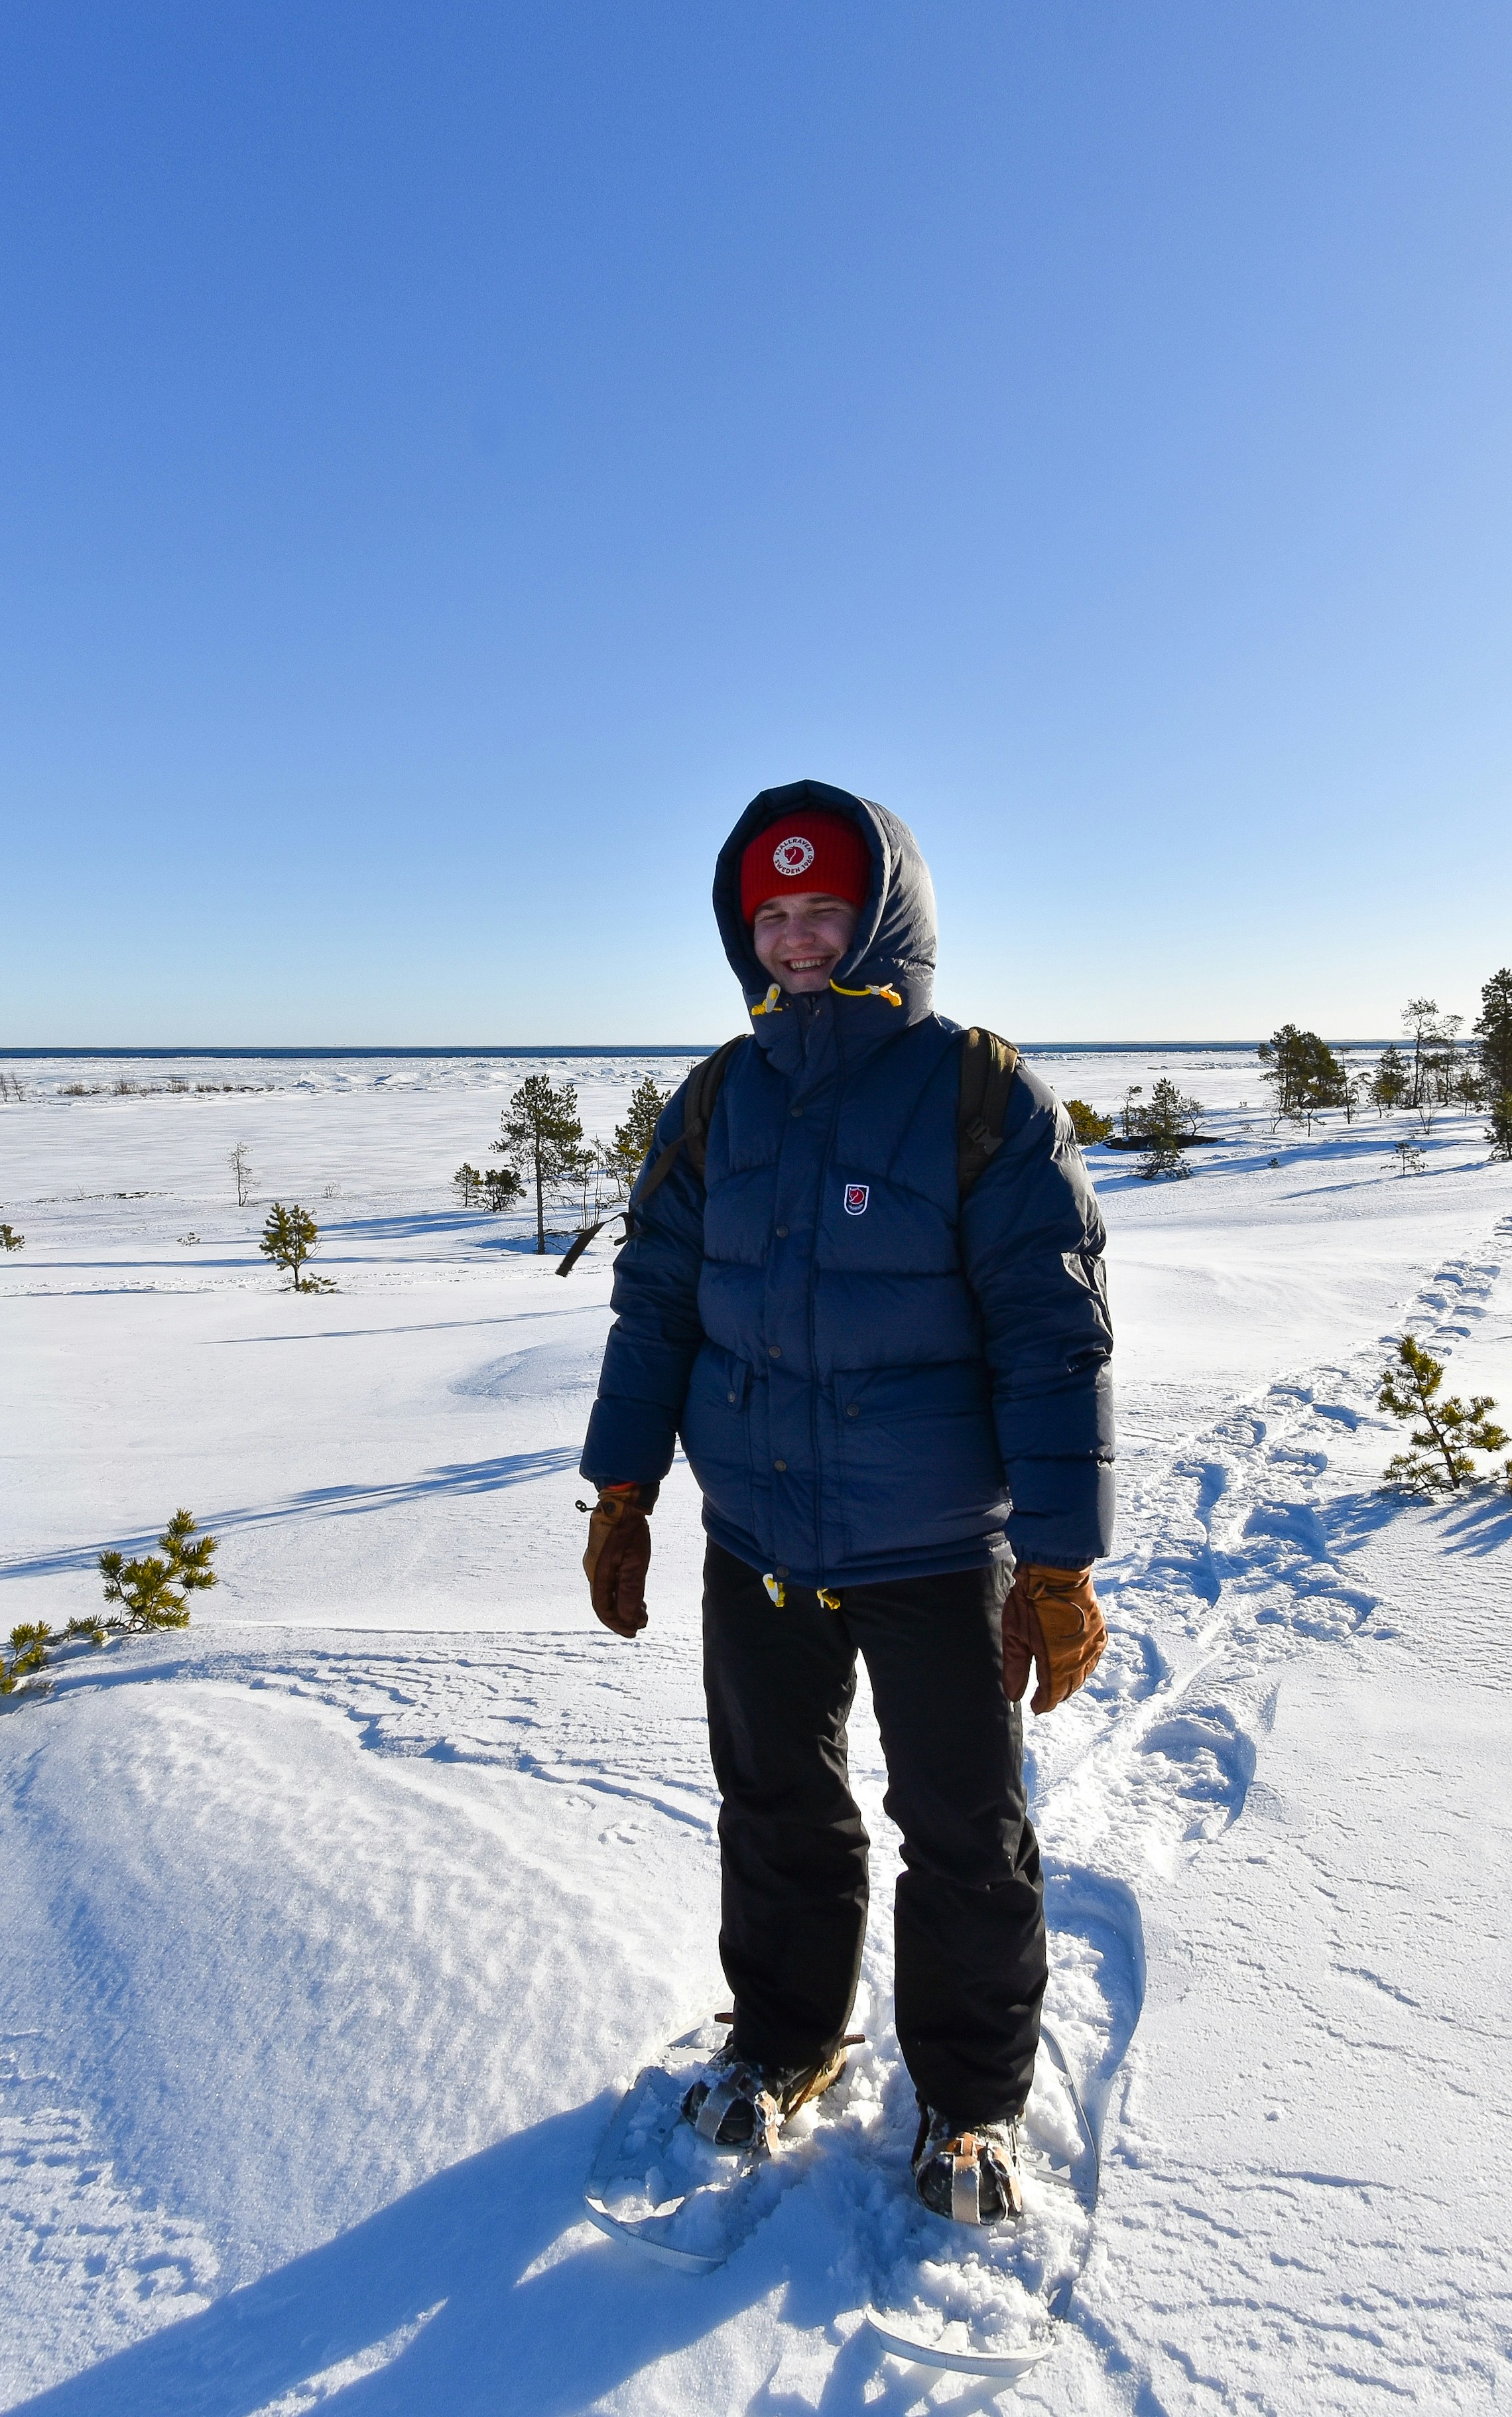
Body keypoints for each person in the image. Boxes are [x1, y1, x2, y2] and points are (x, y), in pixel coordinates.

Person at [576, 781, 1113, 2225]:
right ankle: (787, 2036)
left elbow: (1052, 1339)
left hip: (938, 1552)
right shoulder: (716, 1103)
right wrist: (623, 1486)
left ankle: (971, 2098)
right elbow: (657, 1309)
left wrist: (1057, 1567)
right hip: (757, 1542)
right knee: (777, 1808)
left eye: (824, 912)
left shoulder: (981, 1095)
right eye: (773, 918)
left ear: (884, 917)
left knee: (964, 1829)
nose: (798, 943)